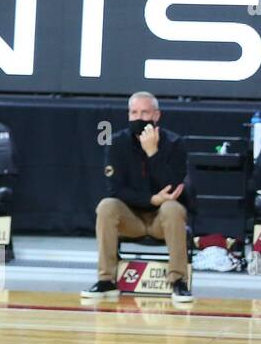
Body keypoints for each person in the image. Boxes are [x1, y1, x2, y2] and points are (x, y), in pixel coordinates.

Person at [83, 91, 193, 304]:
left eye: (144, 112)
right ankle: (106, 280)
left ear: (156, 115)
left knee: (172, 207)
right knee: (107, 206)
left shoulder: (174, 143)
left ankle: (179, 281)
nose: (138, 118)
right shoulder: (116, 143)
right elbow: (115, 190)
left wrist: (153, 153)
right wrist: (151, 200)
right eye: (134, 112)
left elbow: (171, 188)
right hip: (131, 219)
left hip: (162, 221)